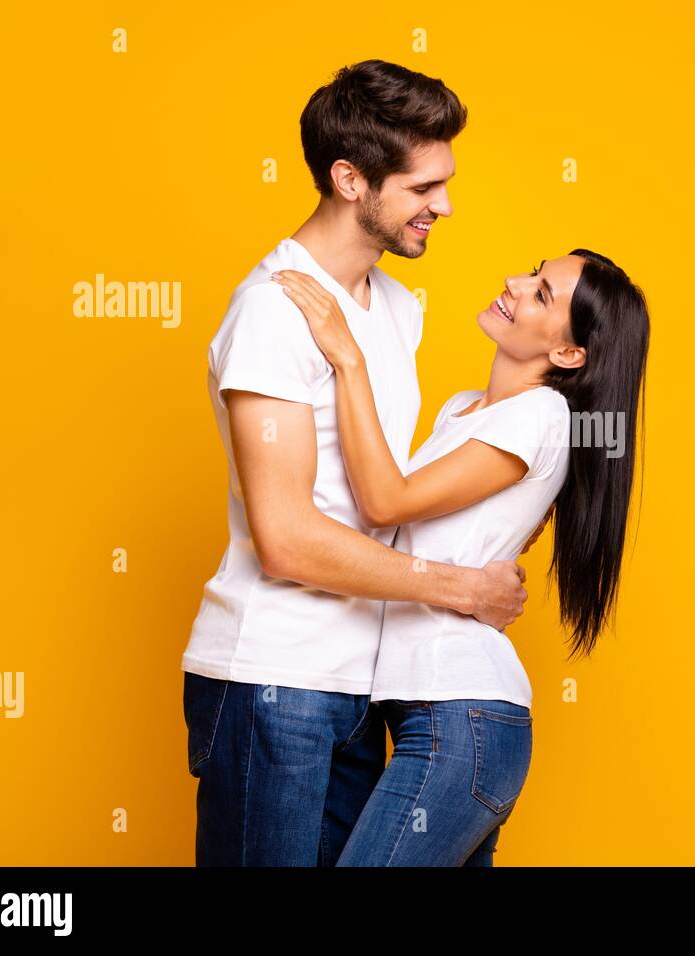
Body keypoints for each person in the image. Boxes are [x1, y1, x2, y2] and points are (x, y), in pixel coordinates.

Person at [180, 60, 530, 867]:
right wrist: (462, 589)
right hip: (273, 678)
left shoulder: (397, 308)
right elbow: (289, 540)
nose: (444, 205)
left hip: (361, 684)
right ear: (349, 180)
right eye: (422, 187)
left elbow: (382, 496)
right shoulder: (273, 310)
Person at [270, 246, 650, 866]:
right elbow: (461, 533)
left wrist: (347, 356)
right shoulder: (463, 410)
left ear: (568, 355)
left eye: (542, 293)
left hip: (460, 722)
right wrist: (479, 578)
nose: (515, 283)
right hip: (432, 718)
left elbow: (386, 502)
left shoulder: (544, 414)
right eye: (532, 273)